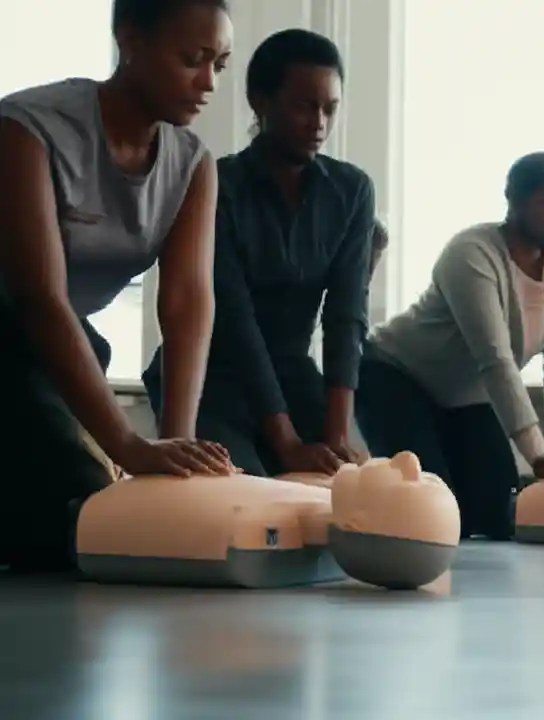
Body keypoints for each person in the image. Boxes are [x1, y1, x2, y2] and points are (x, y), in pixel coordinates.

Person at [0, 0, 236, 570]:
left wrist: (179, 450)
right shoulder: (26, 129)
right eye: (192, 59)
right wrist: (128, 446)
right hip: (11, 329)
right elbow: (39, 299)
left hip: (53, 341)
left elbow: (185, 304)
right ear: (129, 41)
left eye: (219, 65)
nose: (208, 83)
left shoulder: (192, 163)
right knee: (76, 510)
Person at [143, 29, 375, 477]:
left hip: (293, 376)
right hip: (212, 376)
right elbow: (236, 320)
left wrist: (338, 433)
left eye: (330, 108)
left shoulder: (351, 191)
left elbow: (347, 317)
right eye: (304, 106)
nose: (319, 124)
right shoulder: (216, 183)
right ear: (260, 101)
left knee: (346, 489)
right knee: (242, 497)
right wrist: (286, 443)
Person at [357, 152, 544, 541]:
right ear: (515, 200)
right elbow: (494, 359)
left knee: (496, 512)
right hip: (394, 377)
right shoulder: (471, 252)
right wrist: (541, 457)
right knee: (432, 508)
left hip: (465, 395)